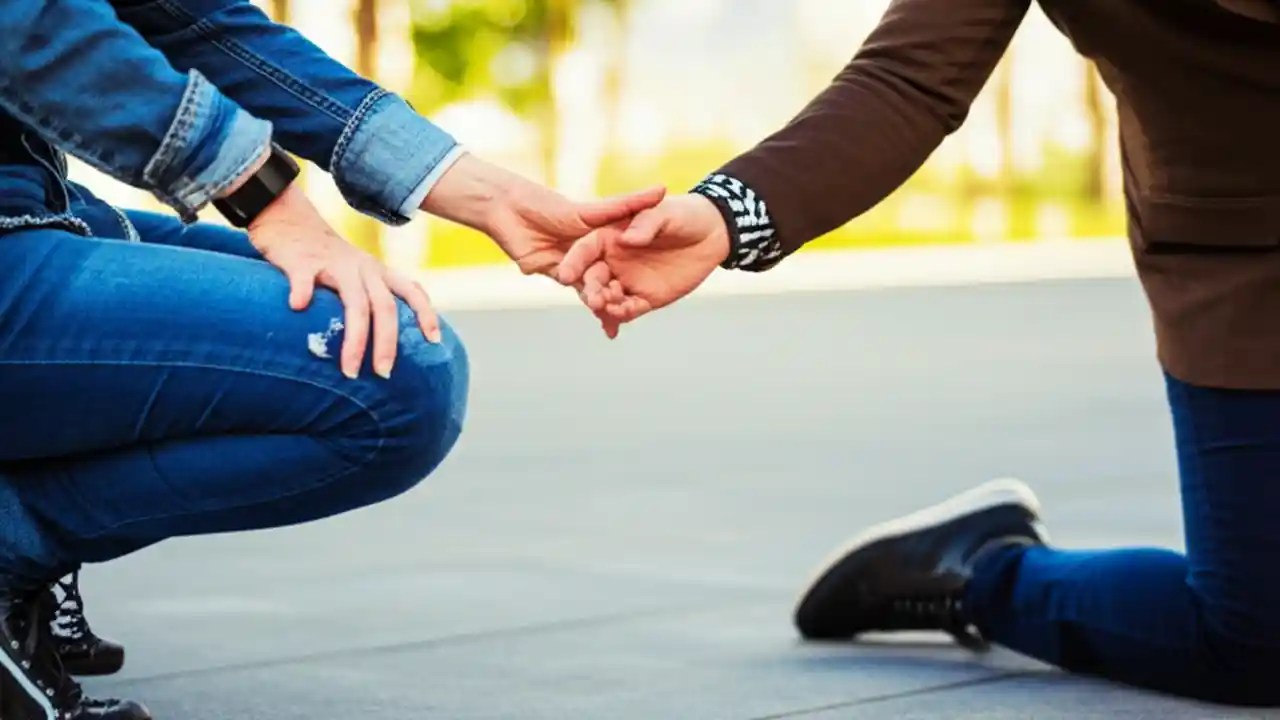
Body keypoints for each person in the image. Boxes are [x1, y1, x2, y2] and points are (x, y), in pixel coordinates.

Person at [558, 0, 1280, 707]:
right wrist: (727, 213)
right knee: (1255, 642)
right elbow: (908, 80)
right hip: (1246, 255)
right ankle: (976, 574)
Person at [0, 2, 658, 718]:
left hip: (37, 205)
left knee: (399, 342)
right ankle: (12, 542)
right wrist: (265, 199)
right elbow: (29, 25)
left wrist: (488, 193)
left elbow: (195, 20)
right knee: (387, 376)